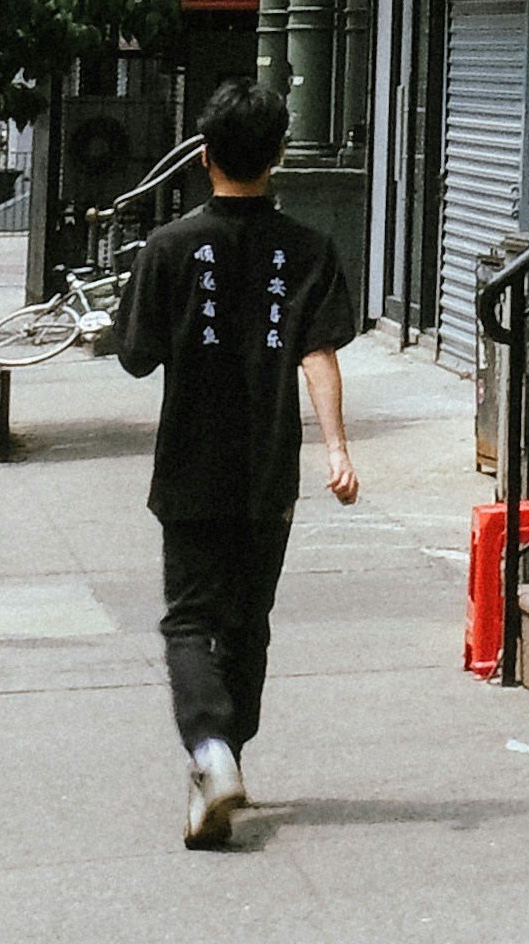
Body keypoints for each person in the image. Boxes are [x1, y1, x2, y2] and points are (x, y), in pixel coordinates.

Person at [113, 83, 359, 849]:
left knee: (189, 618)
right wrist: (338, 450)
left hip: (189, 466)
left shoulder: (170, 248)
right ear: (279, 157)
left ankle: (212, 752)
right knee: (247, 622)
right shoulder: (308, 249)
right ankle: (226, 756)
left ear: (207, 155)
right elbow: (317, 355)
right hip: (267, 470)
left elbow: (134, 356)